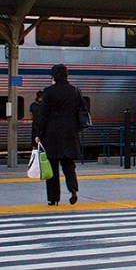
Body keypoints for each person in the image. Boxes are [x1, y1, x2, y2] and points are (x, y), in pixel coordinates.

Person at [38, 64, 82, 206]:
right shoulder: (74, 91)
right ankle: (73, 190)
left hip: (53, 133)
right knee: (69, 164)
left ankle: (53, 198)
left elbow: (43, 114)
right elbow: (81, 110)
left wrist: (39, 133)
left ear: (54, 76)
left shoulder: (49, 91)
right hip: (70, 132)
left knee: (52, 166)